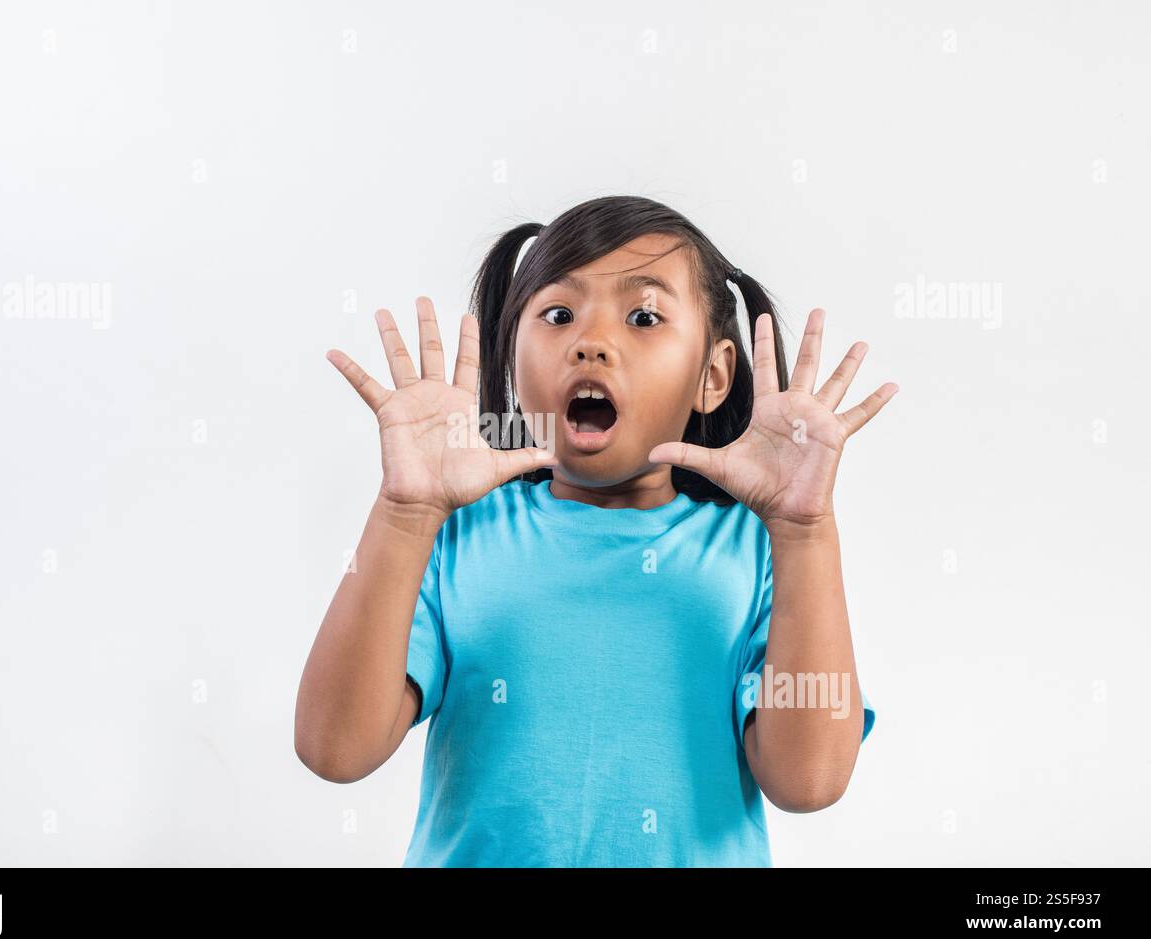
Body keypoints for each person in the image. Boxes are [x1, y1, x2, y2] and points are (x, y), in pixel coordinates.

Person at [297, 195, 896, 866]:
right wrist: (403, 514)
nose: (591, 340)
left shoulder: (759, 552)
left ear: (715, 375)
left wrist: (805, 533)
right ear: (510, 353)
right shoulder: (454, 535)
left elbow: (808, 779)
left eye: (645, 316)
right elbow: (334, 748)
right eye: (558, 313)